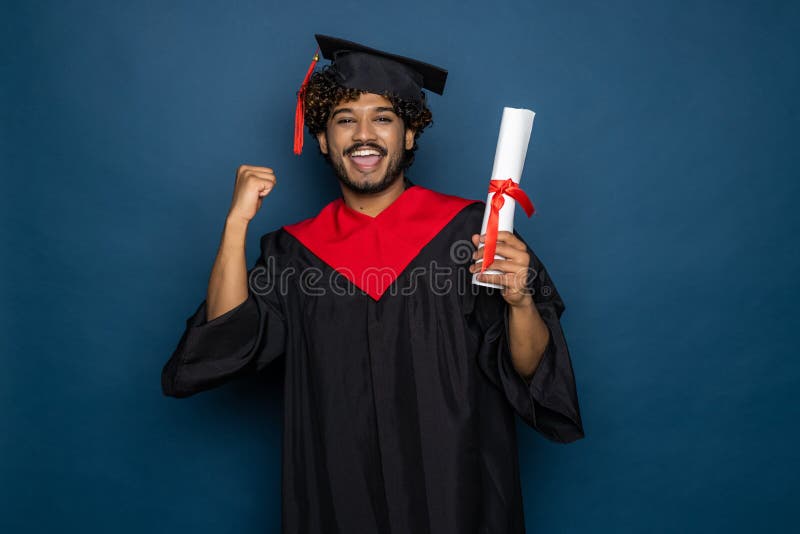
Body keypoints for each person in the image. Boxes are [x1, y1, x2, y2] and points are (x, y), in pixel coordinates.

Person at [162, 34, 584, 534]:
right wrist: (236, 226)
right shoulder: (293, 253)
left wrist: (519, 302)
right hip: (338, 492)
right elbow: (225, 340)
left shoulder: (474, 233)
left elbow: (533, 370)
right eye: (345, 119)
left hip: (457, 490)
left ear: (408, 134)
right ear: (322, 138)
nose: (364, 134)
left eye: (382, 117)